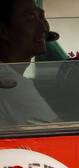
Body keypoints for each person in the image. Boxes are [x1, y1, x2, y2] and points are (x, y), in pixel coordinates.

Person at [0, 0, 55, 129]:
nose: (44, 28)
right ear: (3, 31)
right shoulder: (8, 83)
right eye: (30, 19)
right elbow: (62, 134)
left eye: (41, 17)